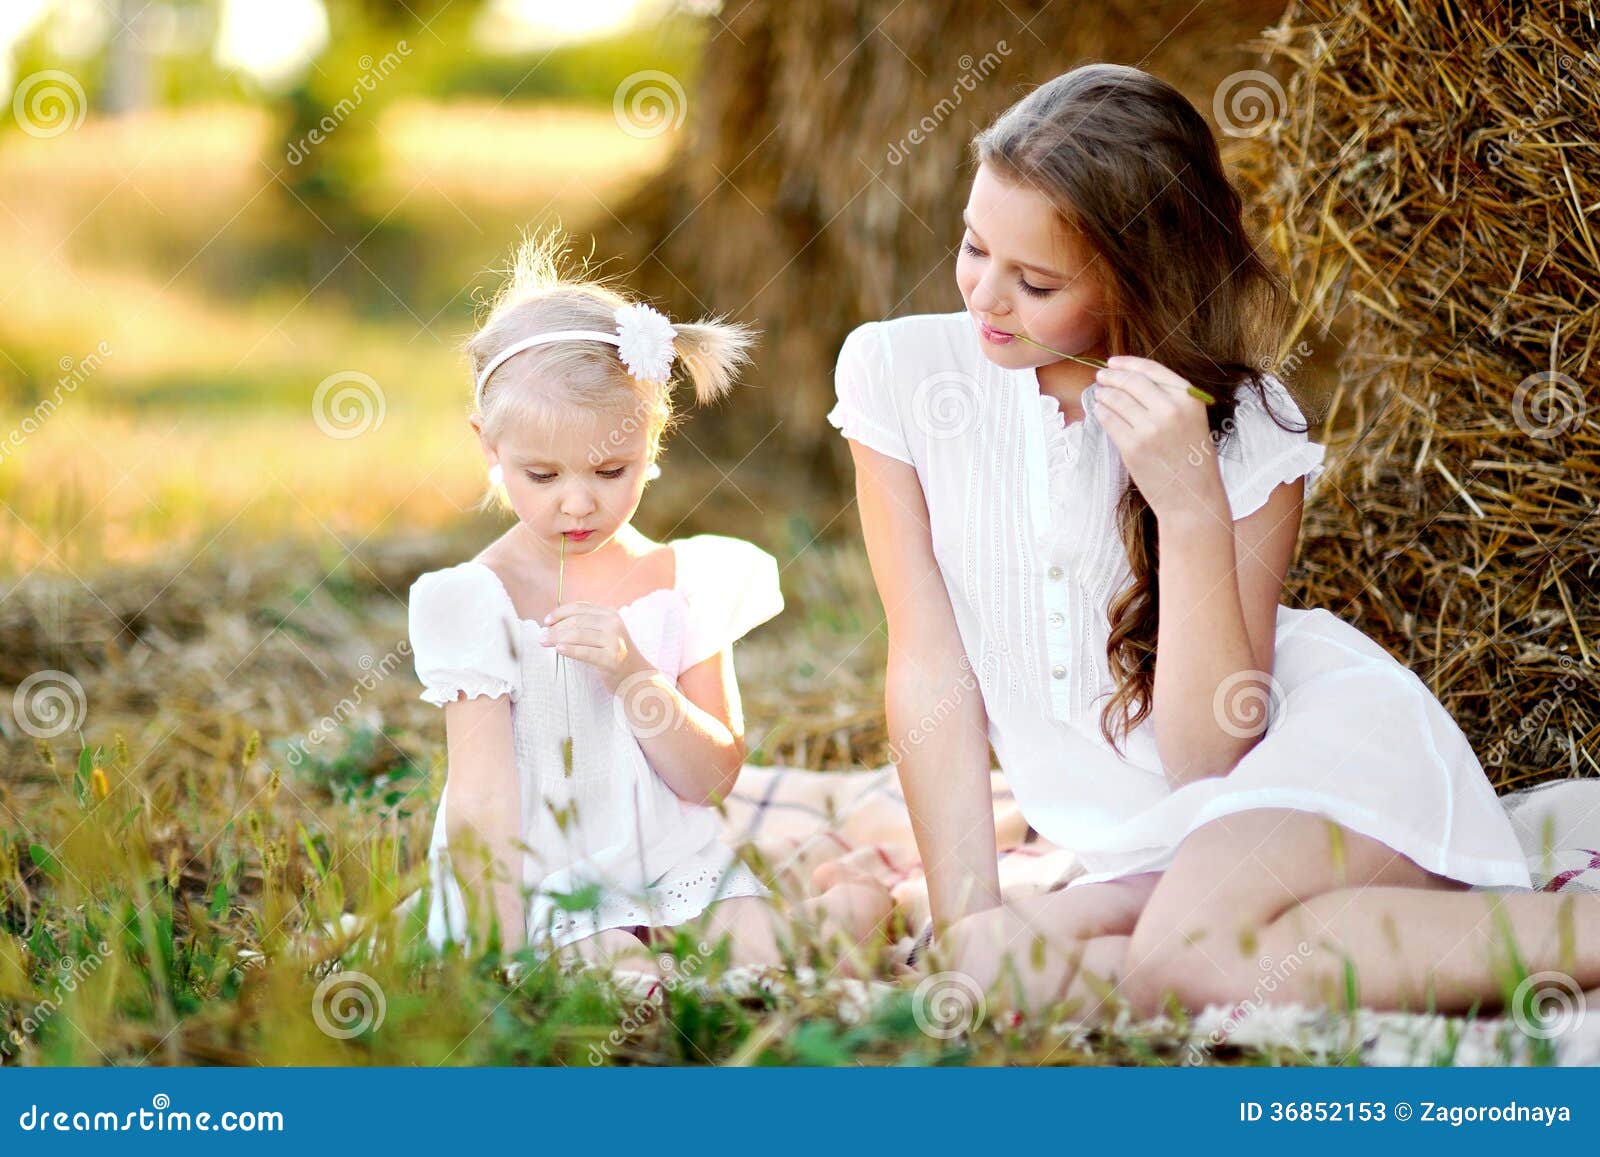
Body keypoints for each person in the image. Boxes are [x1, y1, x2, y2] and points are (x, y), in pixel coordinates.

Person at [825, 63, 1600, 1020]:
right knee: (989, 966)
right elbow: (927, 663)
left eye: (1034, 280)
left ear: (1137, 275)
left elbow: (1211, 757)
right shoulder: (897, 374)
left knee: (1187, 961)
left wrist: (1188, 505)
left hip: (1300, 770)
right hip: (1144, 850)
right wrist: (964, 914)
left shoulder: (1246, 421)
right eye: (973, 247)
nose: (985, 296)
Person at [410, 230, 888, 979]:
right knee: (620, 988)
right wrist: (498, 949)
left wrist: (635, 676)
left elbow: (712, 776)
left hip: (672, 865)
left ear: (654, 440)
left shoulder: (684, 579)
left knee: (790, 956)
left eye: (610, 468)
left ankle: (845, 895)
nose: (577, 500)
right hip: (543, 881)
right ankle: (629, 969)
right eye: (541, 473)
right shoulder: (476, 601)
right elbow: (481, 801)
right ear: (490, 448)